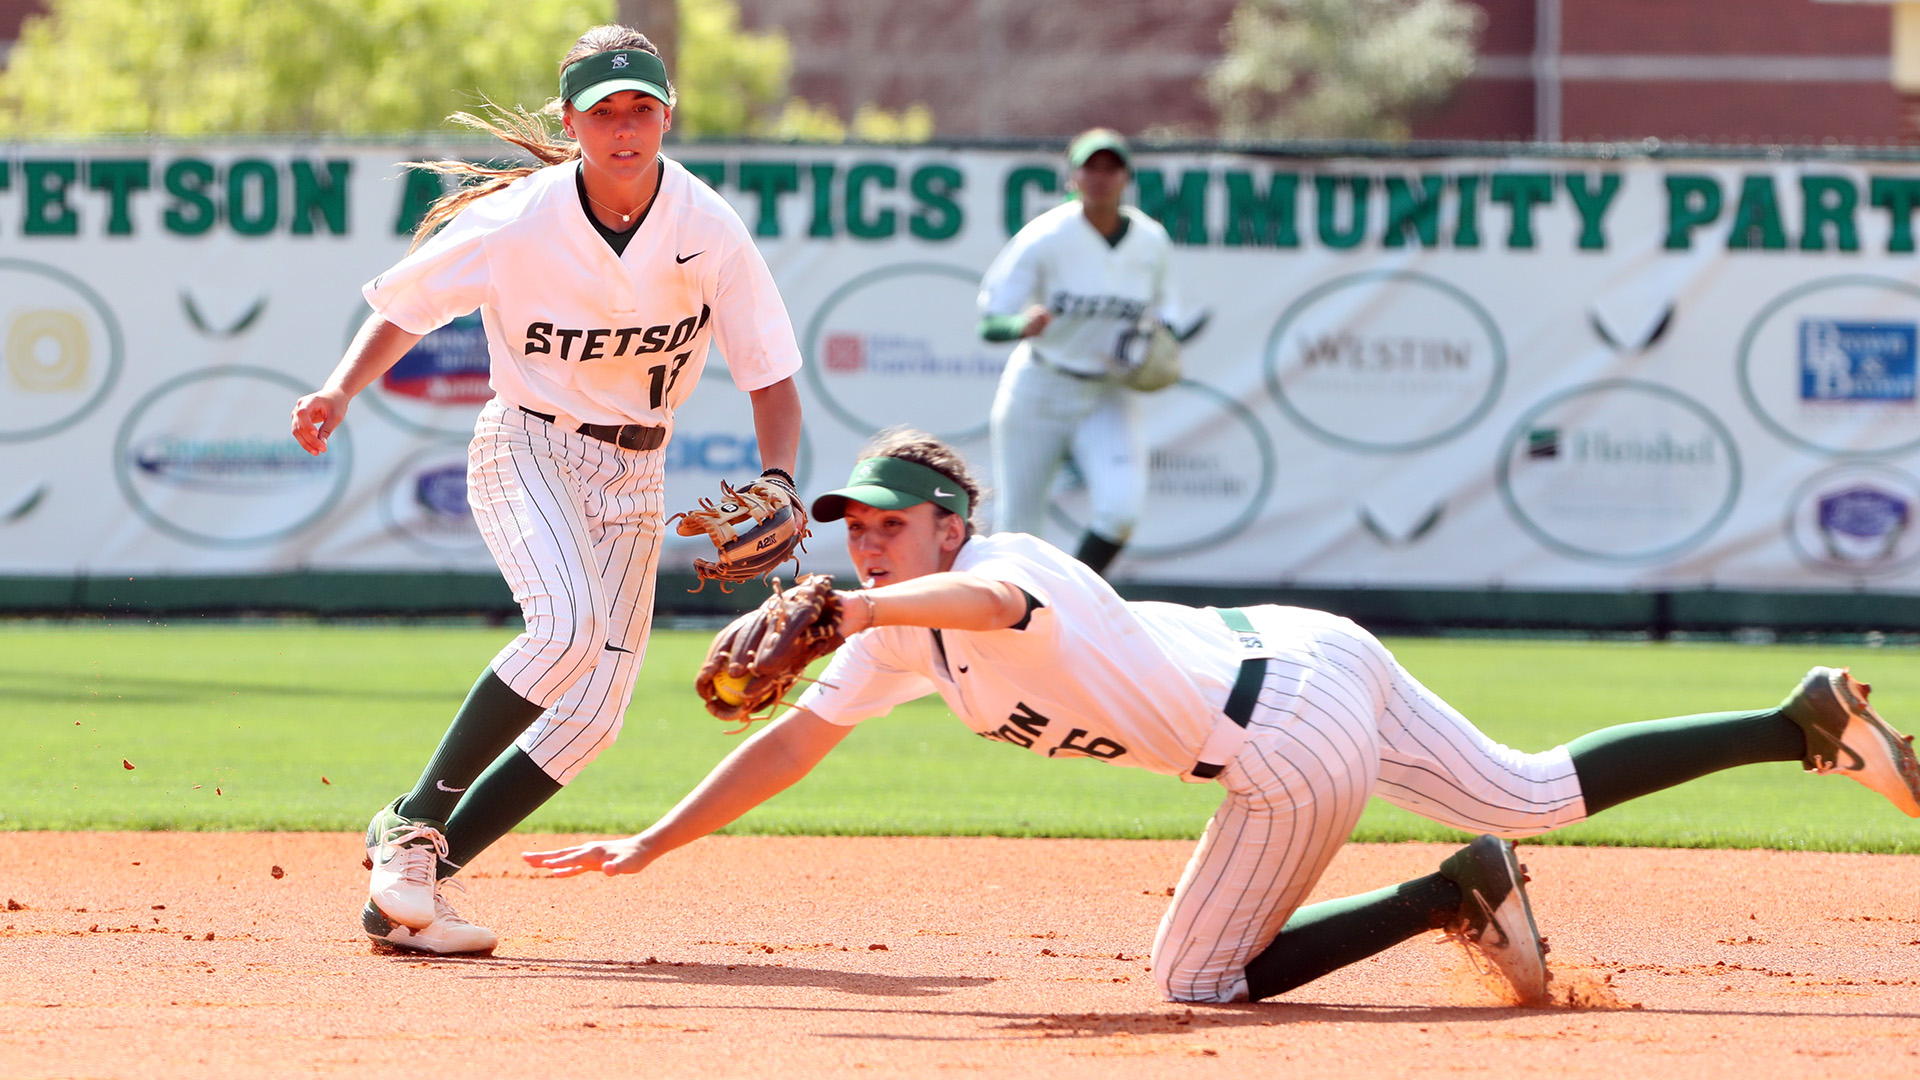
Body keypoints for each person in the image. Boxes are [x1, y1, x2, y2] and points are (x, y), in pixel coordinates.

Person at [523, 428, 1920, 1004]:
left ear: (950, 521)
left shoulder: (1005, 568)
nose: (869, 542)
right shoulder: (897, 632)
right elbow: (794, 739)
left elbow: (992, 608)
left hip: (1281, 738)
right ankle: (1801, 724)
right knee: (1537, 787)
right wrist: (650, 844)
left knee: (1195, 983)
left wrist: (855, 605)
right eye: (856, 528)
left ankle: (1448, 896)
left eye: (891, 524)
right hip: (1309, 651)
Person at [289, 25, 805, 955]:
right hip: (530, 443)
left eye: (641, 108)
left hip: (638, 470)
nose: (624, 127)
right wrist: (338, 389)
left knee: (594, 717)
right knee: (564, 630)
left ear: (668, 116)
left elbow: (770, 375)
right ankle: (410, 822)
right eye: (604, 111)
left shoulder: (706, 225)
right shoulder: (518, 220)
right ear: (570, 122)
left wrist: (779, 480)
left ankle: (410, 893)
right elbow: (406, 309)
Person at [978, 128, 1202, 577]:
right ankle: (1011, 610)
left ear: (1126, 177)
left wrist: (1162, 341)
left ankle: (1074, 596)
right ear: (1072, 177)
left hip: (1108, 390)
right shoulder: (1046, 235)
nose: (1100, 177)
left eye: (1111, 167)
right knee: (1018, 527)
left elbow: (1168, 313)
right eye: (1090, 167)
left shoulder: (1150, 239)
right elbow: (990, 320)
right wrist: (1021, 325)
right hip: (1041, 384)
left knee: (1120, 512)